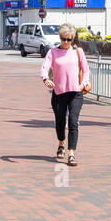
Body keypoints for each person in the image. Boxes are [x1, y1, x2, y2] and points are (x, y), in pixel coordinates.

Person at [40, 23, 89, 167]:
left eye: (69, 39)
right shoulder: (53, 52)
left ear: (73, 39)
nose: (66, 42)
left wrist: (83, 84)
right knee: (60, 123)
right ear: (60, 37)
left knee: (73, 122)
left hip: (76, 93)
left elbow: (86, 71)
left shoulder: (78, 52)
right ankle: (61, 142)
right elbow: (44, 67)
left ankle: (71, 154)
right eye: (63, 39)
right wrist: (46, 79)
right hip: (59, 93)